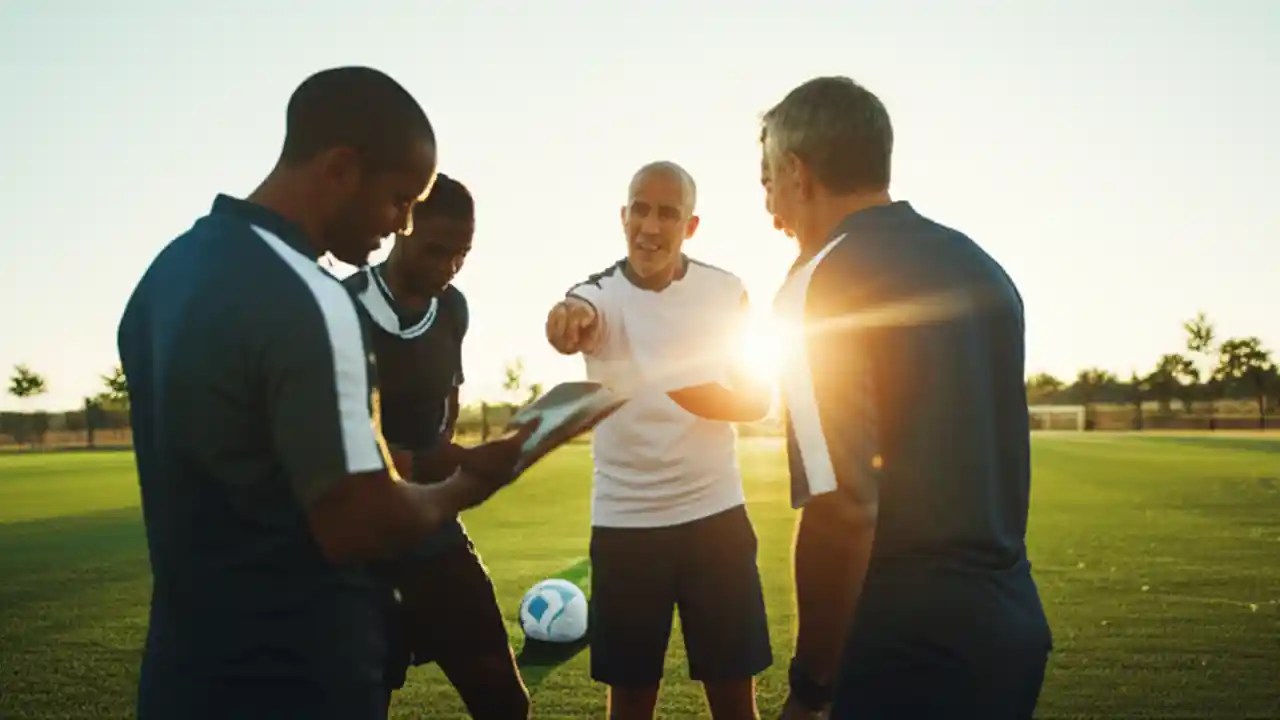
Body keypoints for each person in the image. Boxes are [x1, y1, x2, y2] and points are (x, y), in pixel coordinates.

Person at [116, 67, 531, 720]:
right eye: (399, 199)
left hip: (186, 675)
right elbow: (358, 522)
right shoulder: (313, 298)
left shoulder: (164, 276)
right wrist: (473, 481)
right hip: (299, 674)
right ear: (340, 169)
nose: (401, 223)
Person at [759, 76, 1053, 719]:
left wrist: (811, 688)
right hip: (1008, 630)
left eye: (768, 181)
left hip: (905, 650)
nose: (770, 207)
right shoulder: (981, 265)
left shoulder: (819, 284)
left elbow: (844, 506)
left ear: (797, 173)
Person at [545, 161, 774, 720]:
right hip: (626, 524)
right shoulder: (599, 293)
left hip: (715, 516)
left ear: (689, 226)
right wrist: (566, 319)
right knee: (630, 700)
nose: (650, 226)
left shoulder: (725, 291)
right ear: (623, 217)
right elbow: (579, 313)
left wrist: (712, 400)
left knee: (734, 699)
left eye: (667, 213)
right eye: (640, 210)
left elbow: (758, 397)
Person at [343, 174, 530, 718]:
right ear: (401, 228)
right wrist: (472, 465)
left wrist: (504, 449)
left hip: (432, 530)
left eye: (462, 253)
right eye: (437, 250)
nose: (450, 266)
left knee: (505, 702)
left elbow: (439, 430)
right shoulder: (341, 309)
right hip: (357, 549)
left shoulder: (452, 310)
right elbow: (361, 457)